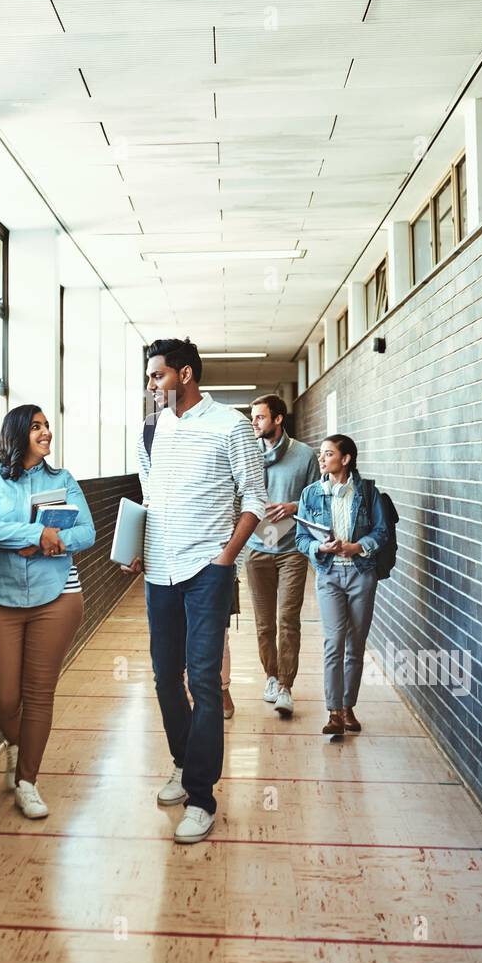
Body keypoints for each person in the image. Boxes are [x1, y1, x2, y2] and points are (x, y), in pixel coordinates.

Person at [122, 339, 267, 843]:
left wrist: (227, 556)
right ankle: (185, 766)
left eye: (157, 376)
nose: (151, 385)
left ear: (184, 375)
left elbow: (255, 495)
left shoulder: (230, 426)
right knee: (165, 677)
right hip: (158, 571)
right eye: (148, 378)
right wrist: (137, 544)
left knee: (203, 679)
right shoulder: (149, 430)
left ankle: (203, 797)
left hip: (207, 570)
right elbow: (149, 494)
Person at [0, 405, 96, 818]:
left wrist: (48, 542)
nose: (46, 433)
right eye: (37, 427)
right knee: (3, 697)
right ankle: (17, 743)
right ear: (18, 433)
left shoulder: (63, 480)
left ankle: (28, 782)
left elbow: (87, 532)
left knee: (38, 694)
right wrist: (35, 533)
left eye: (48, 427)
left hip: (58, 594)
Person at [294, 434, 389, 736]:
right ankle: (333, 711)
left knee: (355, 645)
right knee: (333, 642)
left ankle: (349, 708)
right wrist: (320, 549)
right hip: (330, 576)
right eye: (321, 455)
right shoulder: (310, 494)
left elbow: (382, 531)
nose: (321, 459)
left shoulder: (367, 491)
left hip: (362, 574)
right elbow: (301, 538)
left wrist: (357, 547)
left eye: (328, 454)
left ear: (345, 459)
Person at [244, 395, 320, 717]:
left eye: (259, 417)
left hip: (291, 550)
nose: (254, 423)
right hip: (257, 550)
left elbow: (319, 502)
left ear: (277, 419)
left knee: (287, 621)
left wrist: (293, 507)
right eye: (252, 418)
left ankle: (287, 687)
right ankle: (271, 678)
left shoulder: (304, 455)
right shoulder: (249, 456)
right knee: (264, 625)